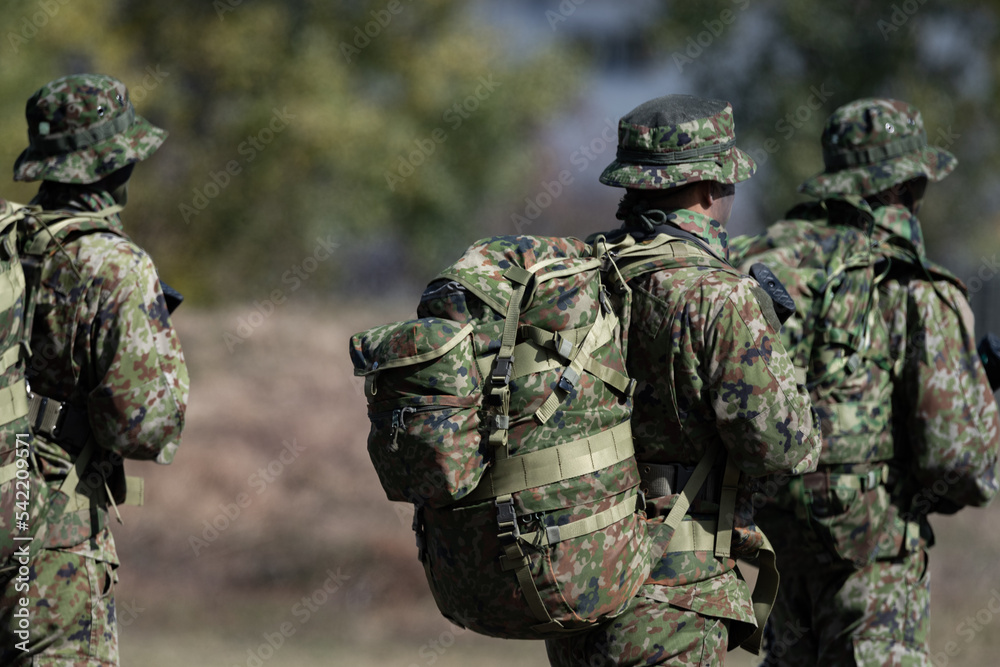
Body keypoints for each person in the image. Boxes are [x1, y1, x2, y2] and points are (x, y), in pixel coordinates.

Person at [544, 94, 822, 666]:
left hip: (580, 578)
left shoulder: (579, 275)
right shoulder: (718, 294)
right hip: (672, 595)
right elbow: (783, 446)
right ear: (705, 190)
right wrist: (771, 342)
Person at [736, 97, 1000, 666]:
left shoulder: (769, 263)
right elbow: (959, 462)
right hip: (873, 563)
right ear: (909, 187)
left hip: (775, 547)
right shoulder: (915, 286)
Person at [0, 73, 189, 666]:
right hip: (49, 525)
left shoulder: (5, 241)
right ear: (118, 165)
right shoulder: (113, 263)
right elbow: (145, 428)